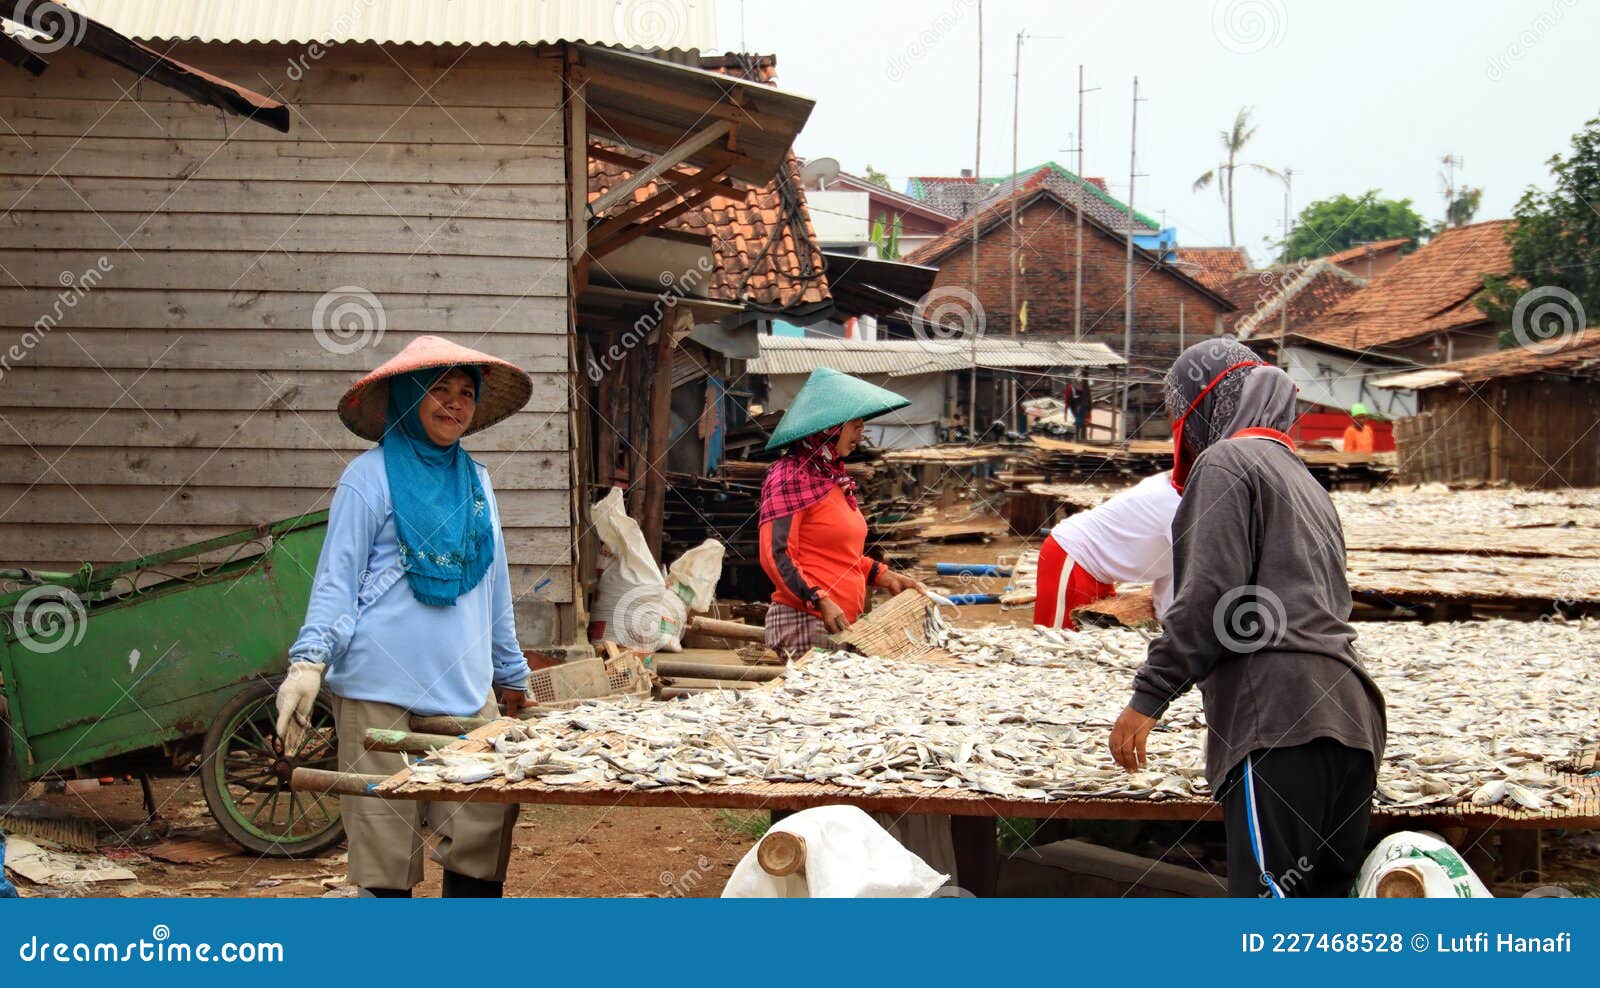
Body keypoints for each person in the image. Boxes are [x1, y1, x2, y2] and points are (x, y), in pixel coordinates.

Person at [1108, 338, 1387, 898]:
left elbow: (1210, 599)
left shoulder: (1227, 461)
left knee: (1269, 920)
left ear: (1205, 404)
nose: (1178, 431)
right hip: (1354, 723)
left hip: (1279, 720)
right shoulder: (1307, 482)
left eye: (1178, 413)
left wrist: (1148, 696)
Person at [276, 335, 534, 899]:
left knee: (480, 842)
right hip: (376, 693)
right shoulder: (367, 478)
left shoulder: (478, 484)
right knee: (384, 860)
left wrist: (511, 672)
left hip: (466, 693)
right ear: (407, 396)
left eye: (466, 392)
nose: (455, 403)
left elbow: (495, 585)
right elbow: (337, 580)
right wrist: (308, 662)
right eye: (438, 389)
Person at [759, 367, 925, 660]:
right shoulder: (790, 477)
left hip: (838, 622)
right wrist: (819, 599)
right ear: (831, 428)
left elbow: (840, 557)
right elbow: (777, 555)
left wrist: (886, 577)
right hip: (805, 622)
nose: (861, 433)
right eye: (856, 425)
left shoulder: (830, 479)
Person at [1033, 470, 1181, 630]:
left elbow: (1174, 570)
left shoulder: (1182, 494)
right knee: (1059, 642)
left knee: (1090, 638)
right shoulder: (1178, 502)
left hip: (1098, 570)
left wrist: (1166, 622)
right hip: (1074, 556)